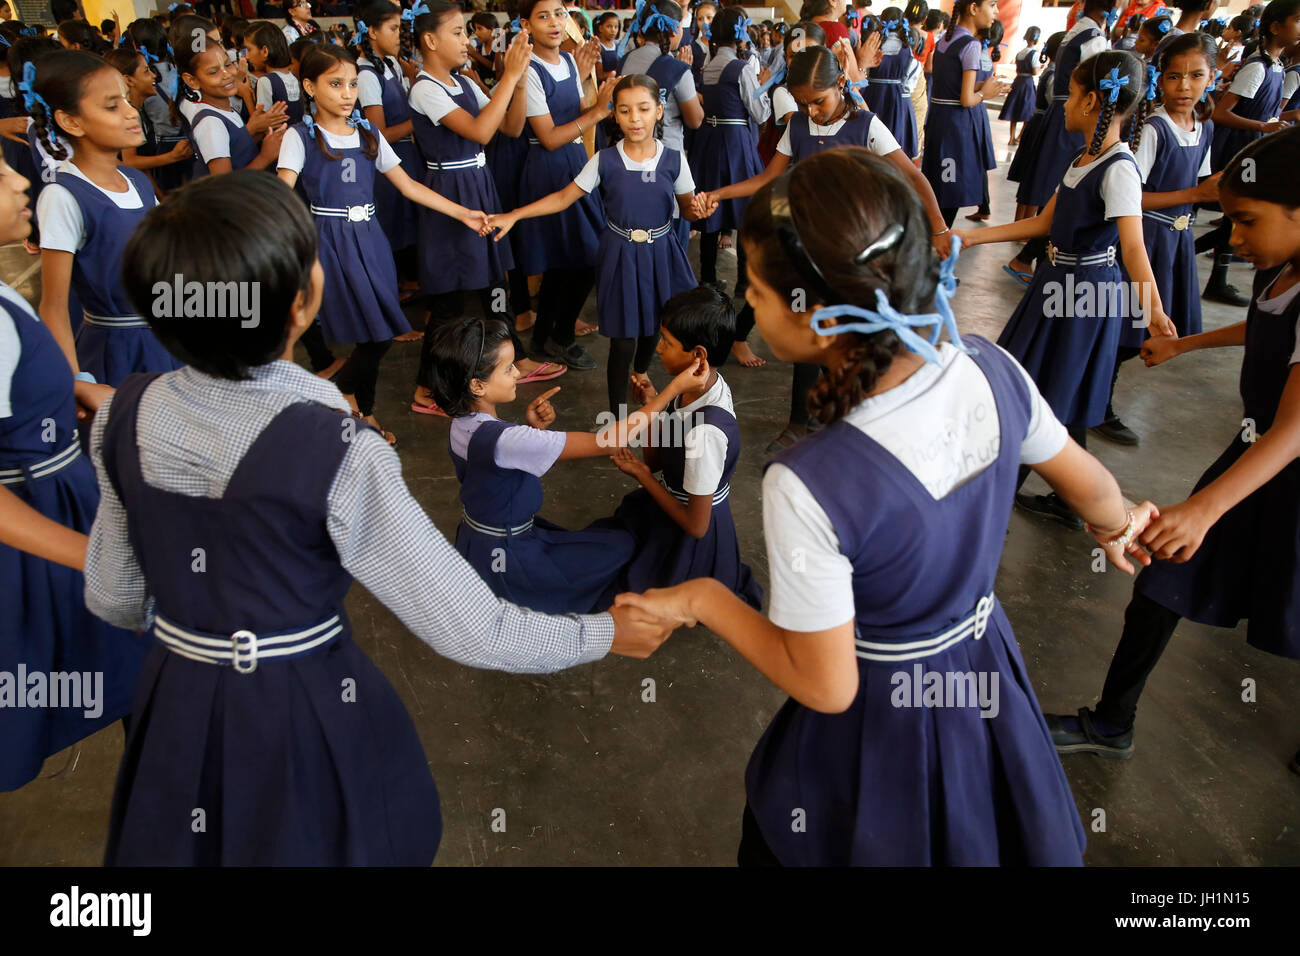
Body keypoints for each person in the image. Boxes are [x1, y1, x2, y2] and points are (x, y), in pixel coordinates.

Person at [85, 171, 676, 865]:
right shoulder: (338, 450)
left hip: (176, 701)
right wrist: (603, 634)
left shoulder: (121, 414)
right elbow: (472, 628)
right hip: (297, 709)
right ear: (304, 303)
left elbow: (115, 595)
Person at [618, 146, 1156, 866]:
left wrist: (703, 599)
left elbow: (827, 684)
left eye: (755, 288)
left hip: (882, 718)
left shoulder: (810, 481)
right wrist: (1120, 527)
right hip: (980, 669)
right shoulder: (991, 366)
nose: (745, 303)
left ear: (821, 319)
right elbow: (1091, 487)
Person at [1046, 127, 1300, 777]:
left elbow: (1295, 429)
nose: (1234, 240)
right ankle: (1111, 722)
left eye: (1247, 221)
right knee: (1165, 572)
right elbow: (1266, 324)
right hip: (1259, 455)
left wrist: (1207, 509)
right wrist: (1185, 346)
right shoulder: (1286, 271)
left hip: (1280, 457)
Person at [953, 50, 1177, 528]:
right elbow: (1044, 222)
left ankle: (998, 498)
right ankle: (1068, 497)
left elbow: (1135, 251)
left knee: (1046, 390)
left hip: (1087, 294)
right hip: (1056, 283)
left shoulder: (1118, 168)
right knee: (1052, 384)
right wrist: (970, 236)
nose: (1066, 104)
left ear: (1093, 101)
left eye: (1072, 95)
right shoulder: (1084, 157)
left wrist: (1153, 310)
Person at [0, 150, 149, 793]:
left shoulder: (7, 292)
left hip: (63, 492)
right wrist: (91, 552)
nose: (18, 179)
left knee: (126, 660)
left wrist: (86, 392)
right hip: (36, 521)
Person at [278, 43, 491, 445]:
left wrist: (462, 212)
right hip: (331, 244)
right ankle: (339, 399)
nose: (347, 93)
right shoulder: (298, 137)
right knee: (377, 336)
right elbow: (280, 195)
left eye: (353, 84)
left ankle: (362, 410)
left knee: (374, 335)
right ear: (309, 86)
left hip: (371, 241)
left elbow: (408, 185)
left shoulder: (367, 132)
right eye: (335, 83)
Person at [427, 314, 706, 612]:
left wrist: (533, 431)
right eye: (508, 369)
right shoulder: (507, 440)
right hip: (510, 555)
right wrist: (671, 390)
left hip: (479, 544)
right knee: (620, 549)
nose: (517, 375)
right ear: (477, 386)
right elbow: (609, 442)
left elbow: (494, 463)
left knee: (609, 543)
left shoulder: (462, 422)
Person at [490, 74, 705, 414]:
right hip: (621, 256)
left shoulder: (675, 160)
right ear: (613, 115)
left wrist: (699, 209)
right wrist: (515, 214)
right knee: (621, 342)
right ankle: (617, 416)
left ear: (660, 111)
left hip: (662, 253)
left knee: (658, 326)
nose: (635, 118)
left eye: (643, 109)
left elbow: (690, 210)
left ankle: (641, 371)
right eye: (624, 110)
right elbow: (563, 197)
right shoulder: (604, 160)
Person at [29, 51, 180, 388]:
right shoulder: (64, 196)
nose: (131, 113)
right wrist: (78, 382)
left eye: (127, 101)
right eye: (112, 106)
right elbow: (53, 307)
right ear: (71, 122)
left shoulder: (137, 181)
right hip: (121, 353)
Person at [606, 286, 762, 607]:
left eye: (667, 342)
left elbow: (697, 525)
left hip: (689, 543)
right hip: (669, 506)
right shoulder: (699, 387)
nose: (659, 349)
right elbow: (660, 462)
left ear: (698, 355)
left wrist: (641, 475)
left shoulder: (706, 434)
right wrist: (652, 408)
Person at [514, 0, 617, 372]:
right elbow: (548, 136)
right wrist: (599, 110)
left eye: (560, 13)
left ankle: (546, 337)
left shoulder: (570, 62)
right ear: (526, 24)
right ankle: (561, 337)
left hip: (574, 162)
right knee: (579, 257)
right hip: (549, 169)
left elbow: (574, 117)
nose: (555, 22)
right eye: (543, 16)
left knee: (573, 259)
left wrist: (590, 82)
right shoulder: (529, 70)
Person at [1202, 0, 1300, 306]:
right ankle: (1214, 277)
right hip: (1240, 152)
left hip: (1252, 149)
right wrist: (1263, 125)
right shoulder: (1257, 67)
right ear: (1275, 27)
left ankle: (1217, 277)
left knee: (1236, 220)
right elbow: (1220, 112)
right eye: (1297, 20)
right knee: (1235, 217)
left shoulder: (1275, 66)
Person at [690, 5, 770, 299]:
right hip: (736, 140)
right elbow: (760, 114)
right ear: (740, 33)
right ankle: (743, 282)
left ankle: (708, 277)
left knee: (711, 204)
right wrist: (765, 86)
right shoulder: (741, 67)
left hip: (709, 139)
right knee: (744, 207)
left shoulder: (707, 65)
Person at [920, 0, 1010, 227]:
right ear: (973, 8)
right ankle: (938, 242)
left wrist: (982, 86)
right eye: (992, 4)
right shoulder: (970, 45)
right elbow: (966, 99)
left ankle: (930, 238)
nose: (996, 11)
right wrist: (985, 93)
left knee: (936, 185)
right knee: (951, 189)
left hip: (939, 119)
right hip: (956, 126)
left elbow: (952, 85)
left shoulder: (945, 40)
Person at [1000, 25, 1041, 145]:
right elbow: (1034, 71)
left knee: (1015, 109)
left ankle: (1011, 137)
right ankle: (1019, 136)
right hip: (1027, 83)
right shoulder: (1035, 54)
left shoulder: (1020, 53)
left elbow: (1018, 69)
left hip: (1018, 81)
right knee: (1028, 110)